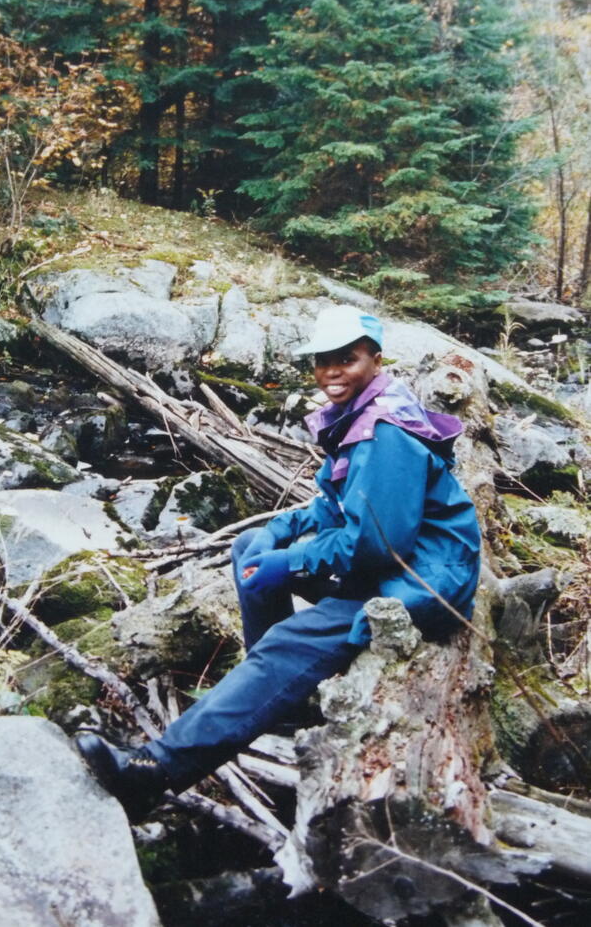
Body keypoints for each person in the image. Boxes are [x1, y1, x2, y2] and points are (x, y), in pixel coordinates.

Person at [76, 305, 481, 822]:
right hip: (393, 566)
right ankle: (279, 700)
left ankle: (155, 771)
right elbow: (334, 504)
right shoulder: (363, 412)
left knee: (290, 640)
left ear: (375, 360)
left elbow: (376, 545)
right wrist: (278, 533)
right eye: (323, 361)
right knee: (249, 547)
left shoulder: (384, 433)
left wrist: (291, 562)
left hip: (419, 585)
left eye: (347, 359)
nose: (332, 372)